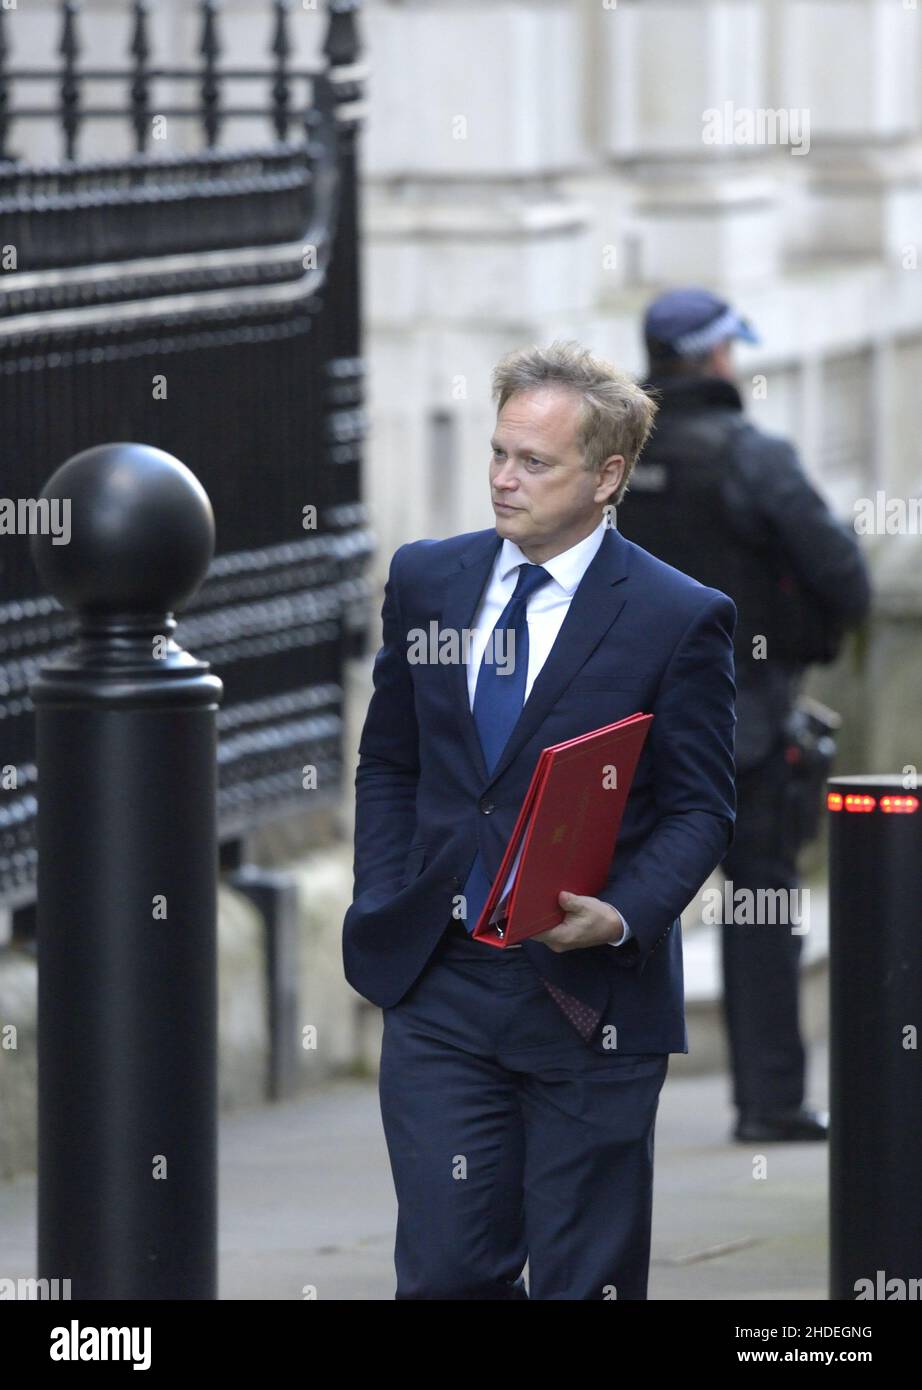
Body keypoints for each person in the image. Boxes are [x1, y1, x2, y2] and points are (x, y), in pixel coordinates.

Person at [342, 340, 737, 1300]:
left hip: (586, 1000)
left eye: (535, 462)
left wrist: (626, 911)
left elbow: (699, 808)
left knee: (583, 1280)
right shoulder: (429, 580)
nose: (503, 481)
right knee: (443, 1272)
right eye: (498, 453)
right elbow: (390, 760)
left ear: (608, 477)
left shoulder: (676, 616)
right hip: (439, 984)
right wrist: (387, 886)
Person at [617, 287, 872, 1144]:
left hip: (628, 724)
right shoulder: (749, 456)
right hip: (745, 722)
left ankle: (601, 1098)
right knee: (760, 899)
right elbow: (844, 576)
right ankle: (768, 1103)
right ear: (719, 356)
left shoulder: (609, 460)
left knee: (620, 900)